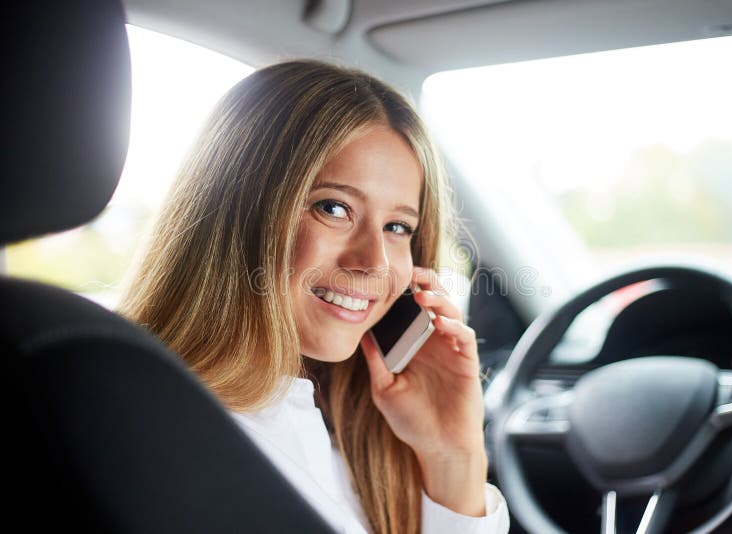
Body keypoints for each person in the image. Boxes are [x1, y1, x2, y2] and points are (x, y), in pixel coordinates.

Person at [119, 59, 509, 534]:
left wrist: (454, 454)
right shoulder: (168, 444)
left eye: (397, 227)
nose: (376, 264)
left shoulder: (325, 434)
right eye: (334, 208)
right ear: (239, 208)